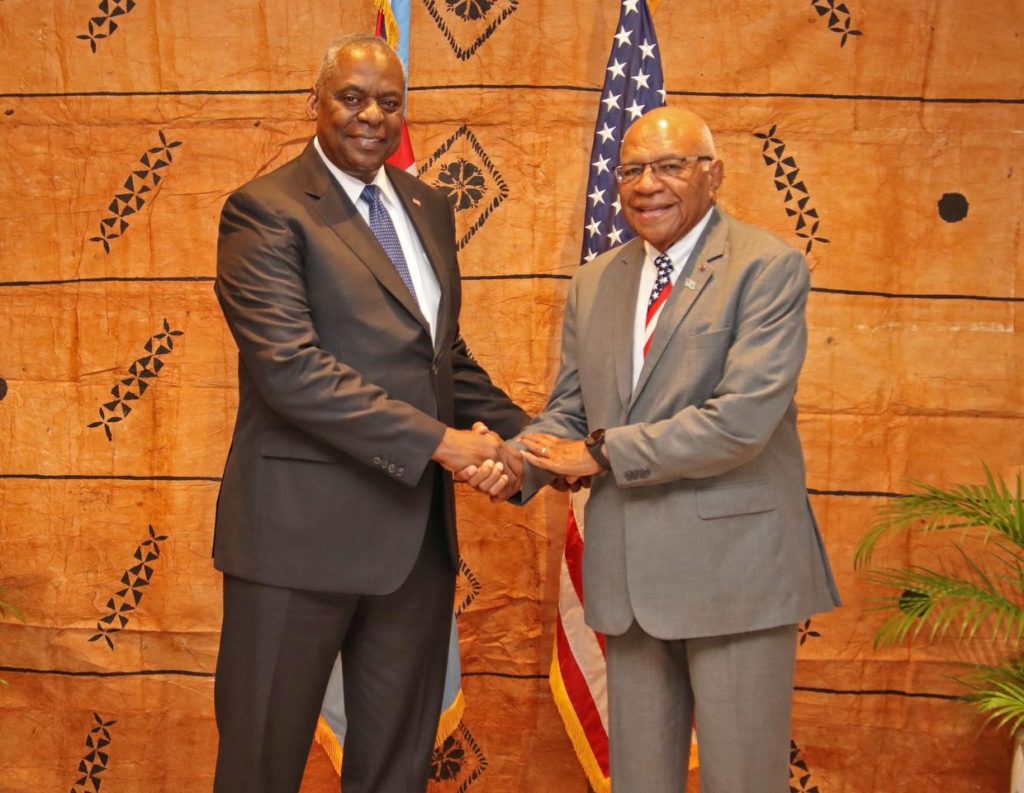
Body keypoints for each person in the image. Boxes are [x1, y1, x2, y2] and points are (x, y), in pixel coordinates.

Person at [211, 34, 528, 793]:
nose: (371, 117)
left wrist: (531, 445)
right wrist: (445, 445)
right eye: (352, 98)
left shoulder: (427, 205)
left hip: (413, 546)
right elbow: (292, 371)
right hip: (294, 544)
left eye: (389, 103)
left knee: (395, 770)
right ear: (313, 103)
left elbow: (439, 356)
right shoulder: (264, 209)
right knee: (260, 765)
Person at [507, 106, 841, 792]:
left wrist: (598, 455)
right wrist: (513, 461)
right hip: (629, 577)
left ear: (713, 175)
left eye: (669, 166)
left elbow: (740, 420)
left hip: (735, 574)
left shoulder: (767, 268)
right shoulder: (597, 280)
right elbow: (574, 408)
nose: (646, 184)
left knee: (741, 778)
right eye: (631, 169)